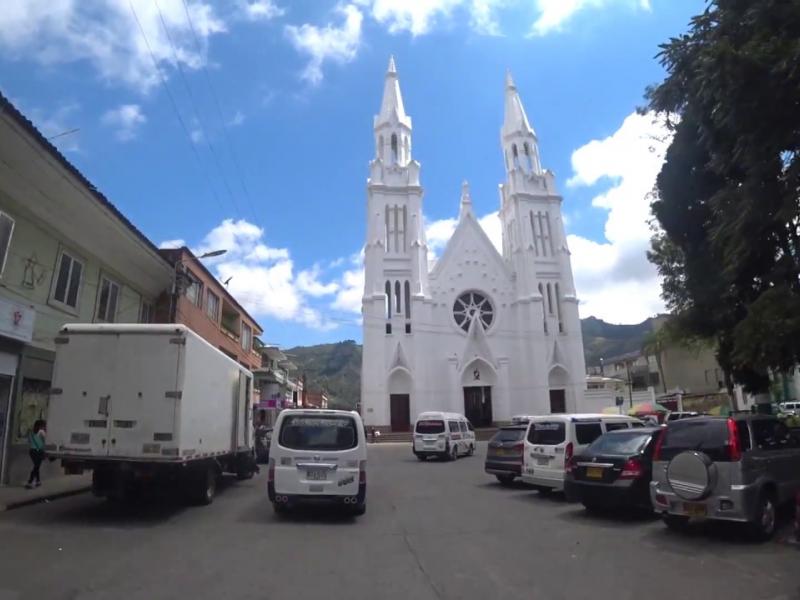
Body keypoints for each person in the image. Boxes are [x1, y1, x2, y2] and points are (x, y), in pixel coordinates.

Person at [26, 419, 46, 489]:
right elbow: (43, 443)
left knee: (36, 466)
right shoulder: (42, 433)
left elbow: (29, 441)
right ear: (41, 426)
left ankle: (38, 481)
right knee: (36, 467)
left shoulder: (31, 432)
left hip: (32, 451)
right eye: (43, 425)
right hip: (39, 451)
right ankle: (30, 481)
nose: (44, 427)